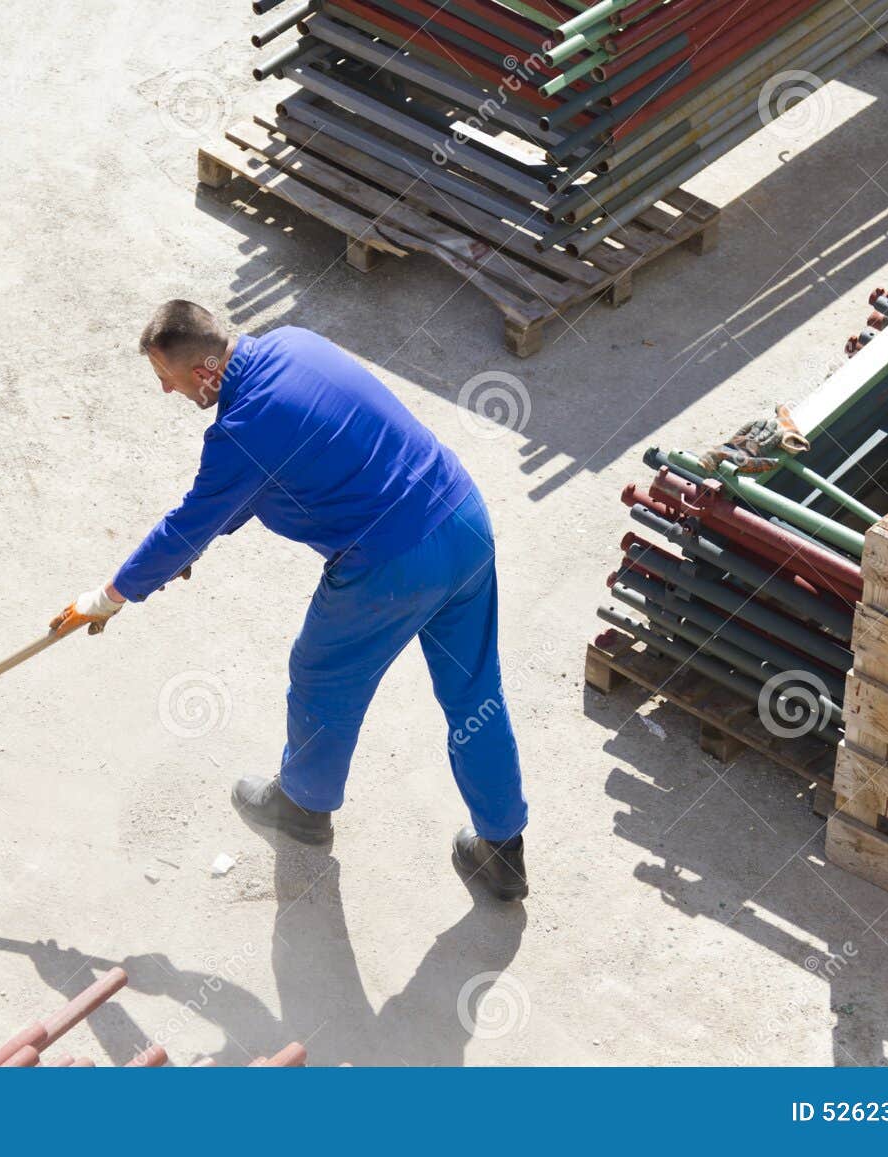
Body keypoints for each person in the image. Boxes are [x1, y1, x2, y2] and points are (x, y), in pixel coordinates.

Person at [51, 301, 529, 900]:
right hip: (463, 519)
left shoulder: (240, 431)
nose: (167, 394)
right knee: (474, 692)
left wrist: (112, 594)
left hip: (391, 563)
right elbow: (289, 462)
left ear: (202, 373)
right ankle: (502, 853)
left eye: (166, 382)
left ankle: (303, 805)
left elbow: (188, 522)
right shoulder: (296, 344)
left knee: (321, 673)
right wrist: (204, 537)